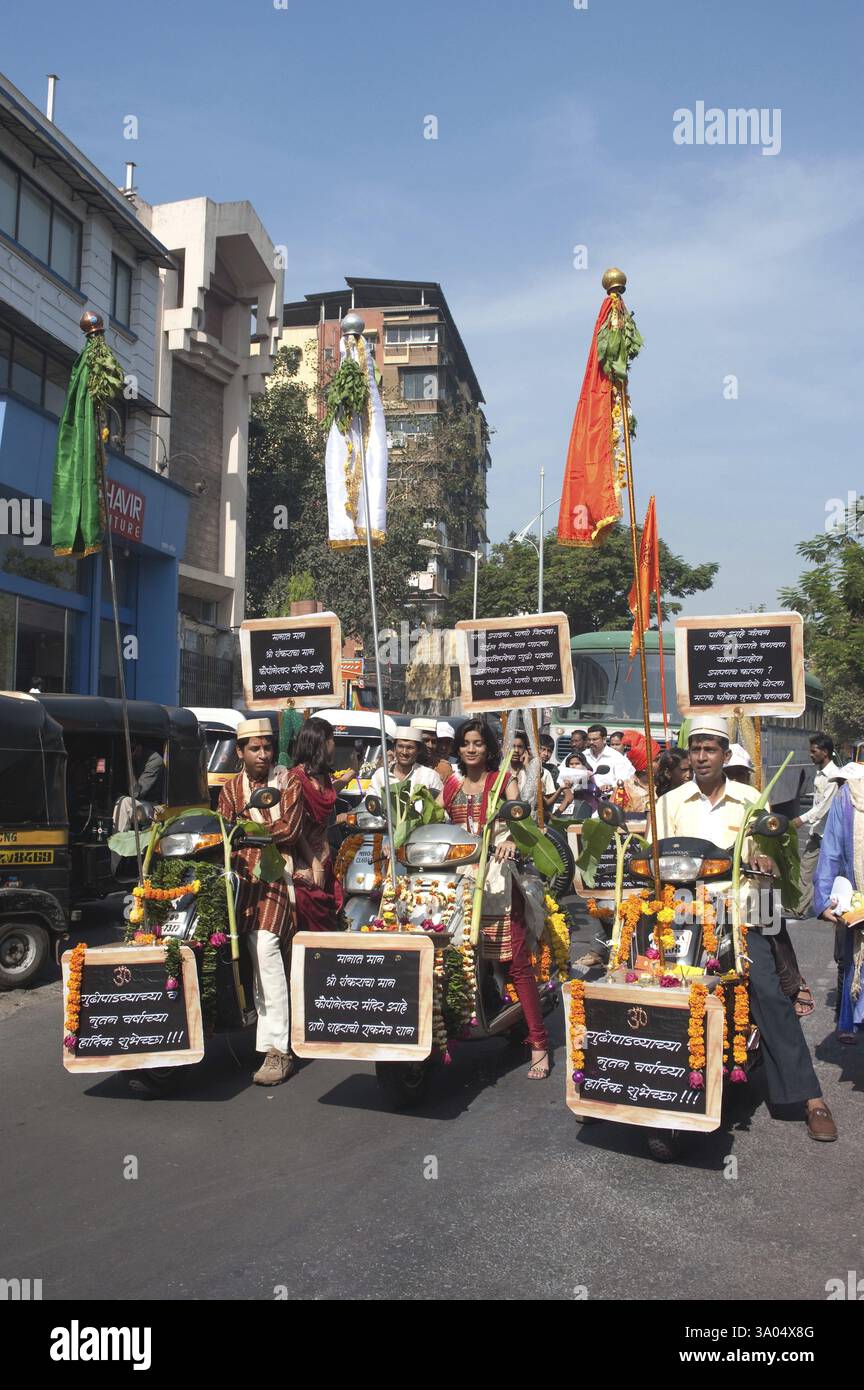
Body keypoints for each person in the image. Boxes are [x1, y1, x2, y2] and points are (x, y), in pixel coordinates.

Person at [655, 715, 837, 1141]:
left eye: (710, 748)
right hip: (683, 914)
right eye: (696, 748)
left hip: (743, 912)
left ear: (724, 754)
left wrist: (766, 860)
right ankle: (662, 1090)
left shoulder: (750, 798)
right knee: (664, 990)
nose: (702, 756)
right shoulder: (669, 803)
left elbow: (770, 851)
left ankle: (810, 1098)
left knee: (769, 994)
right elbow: (654, 859)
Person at [440, 718, 551, 1079]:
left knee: (515, 962)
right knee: (451, 956)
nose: (471, 749)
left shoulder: (502, 779)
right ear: (458, 749)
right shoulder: (451, 785)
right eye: (465, 744)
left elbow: (521, 821)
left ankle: (538, 1044)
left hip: (498, 880)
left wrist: (509, 839)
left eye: (478, 743)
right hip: (458, 881)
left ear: (489, 748)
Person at [218, 718, 306, 1086]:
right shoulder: (229, 790)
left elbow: (289, 828)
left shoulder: (289, 781)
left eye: (267, 747)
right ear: (239, 752)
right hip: (237, 881)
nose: (263, 754)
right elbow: (221, 830)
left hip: (274, 879)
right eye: (255, 748)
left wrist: (246, 829)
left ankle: (276, 1050)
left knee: (266, 946)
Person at [812, 761, 864, 1042]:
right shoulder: (851, 795)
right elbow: (831, 850)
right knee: (850, 962)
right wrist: (824, 901)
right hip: (859, 906)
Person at [286, 717, 344, 935]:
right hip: (304, 864)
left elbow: (330, 794)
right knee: (308, 924)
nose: (334, 745)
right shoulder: (295, 779)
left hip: (325, 861)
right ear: (322, 743)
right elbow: (295, 828)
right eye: (332, 740)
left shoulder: (323, 777)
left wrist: (352, 773)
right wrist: (314, 863)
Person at [791, 734, 838, 919]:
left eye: (814, 751)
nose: (811, 755)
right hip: (817, 833)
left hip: (829, 835)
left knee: (830, 874)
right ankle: (800, 908)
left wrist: (801, 819)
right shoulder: (820, 774)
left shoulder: (833, 776)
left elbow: (824, 807)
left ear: (825, 752)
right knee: (806, 869)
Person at [369, 727, 443, 798]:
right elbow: (370, 803)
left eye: (410, 748)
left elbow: (439, 806)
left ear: (419, 750)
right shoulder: (381, 775)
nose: (404, 752)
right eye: (400, 746)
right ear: (394, 748)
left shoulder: (430, 776)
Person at [112, 740, 166, 831]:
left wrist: (130, 763)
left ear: (139, 747)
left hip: (153, 806)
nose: (127, 753)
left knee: (123, 802)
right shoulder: (126, 759)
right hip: (135, 803)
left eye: (132, 749)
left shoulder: (154, 760)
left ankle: (120, 841)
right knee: (119, 800)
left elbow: (136, 793)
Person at [510, 729, 556, 814]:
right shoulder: (501, 770)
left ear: (526, 749)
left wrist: (527, 766)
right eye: (513, 746)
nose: (516, 750)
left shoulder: (533, 770)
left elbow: (541, 790)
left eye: (520, 747)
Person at [584, 723, 635, 791]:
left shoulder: (617, 757)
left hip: (608, 798)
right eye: (589, 739)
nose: (591, 742)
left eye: (595, 739)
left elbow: (625, 780)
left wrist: (611, 787)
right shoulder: (582, 756)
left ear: (604, 739)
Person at [410, 718, 453, 783]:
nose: (430, 745)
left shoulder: (443, 769)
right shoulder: (396, 766)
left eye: (434, 741)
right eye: (426, 740)